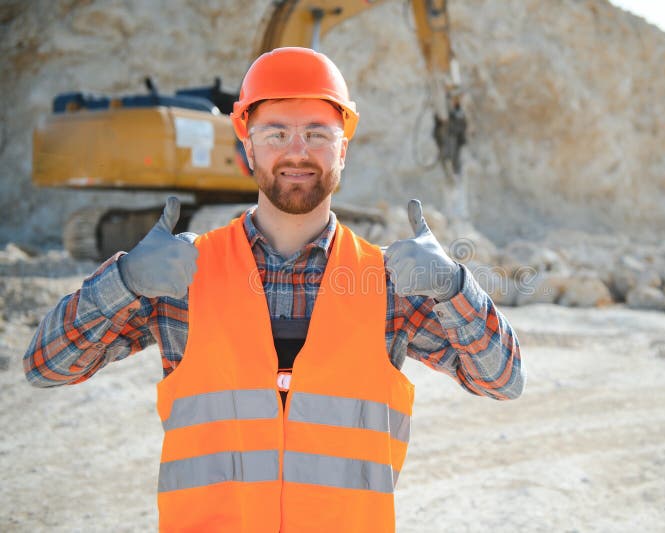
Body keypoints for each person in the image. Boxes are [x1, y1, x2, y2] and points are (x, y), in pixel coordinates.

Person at [24, 47, 526, 532]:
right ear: (248, 146)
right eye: (277, 132)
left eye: (316, 133)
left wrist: (454, 285)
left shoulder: (387, 285)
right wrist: (124, 280)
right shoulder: (181, 274)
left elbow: (502, 380)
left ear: (343, 148)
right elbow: (46, 365)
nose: (297, 151)